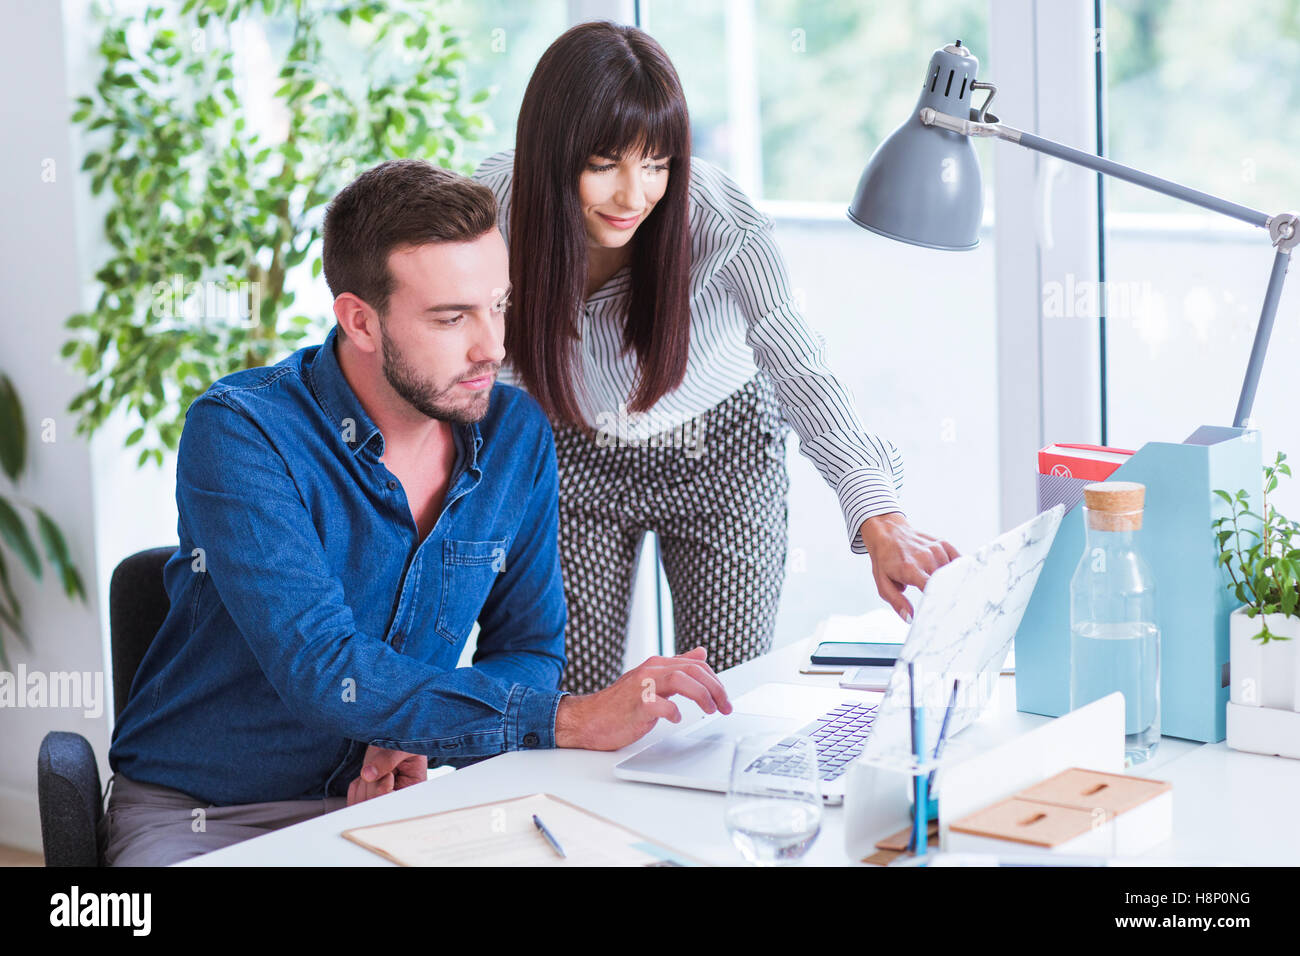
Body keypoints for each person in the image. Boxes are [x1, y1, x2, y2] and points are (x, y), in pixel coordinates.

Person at [101, 159, 731, 866]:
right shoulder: (242, 432)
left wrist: (416, 730)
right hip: (212, 815)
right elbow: (322, 667)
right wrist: (569, 719)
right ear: (360, 321)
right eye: (450, 317)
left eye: (498, 305)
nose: (491, 347)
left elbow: (528, 650)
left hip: (409, 801)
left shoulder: (514, 434)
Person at [473, 21, 959, 695]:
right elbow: (457, 366)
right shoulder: (489, 209)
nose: (633, 194)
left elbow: (800, 370)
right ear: (552, 152)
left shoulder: (720, 221)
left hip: (721, 453)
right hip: (570, 450)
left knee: (722, 695)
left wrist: (881, 517)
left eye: (656, 162)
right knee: (574, 700)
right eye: (604, 163)